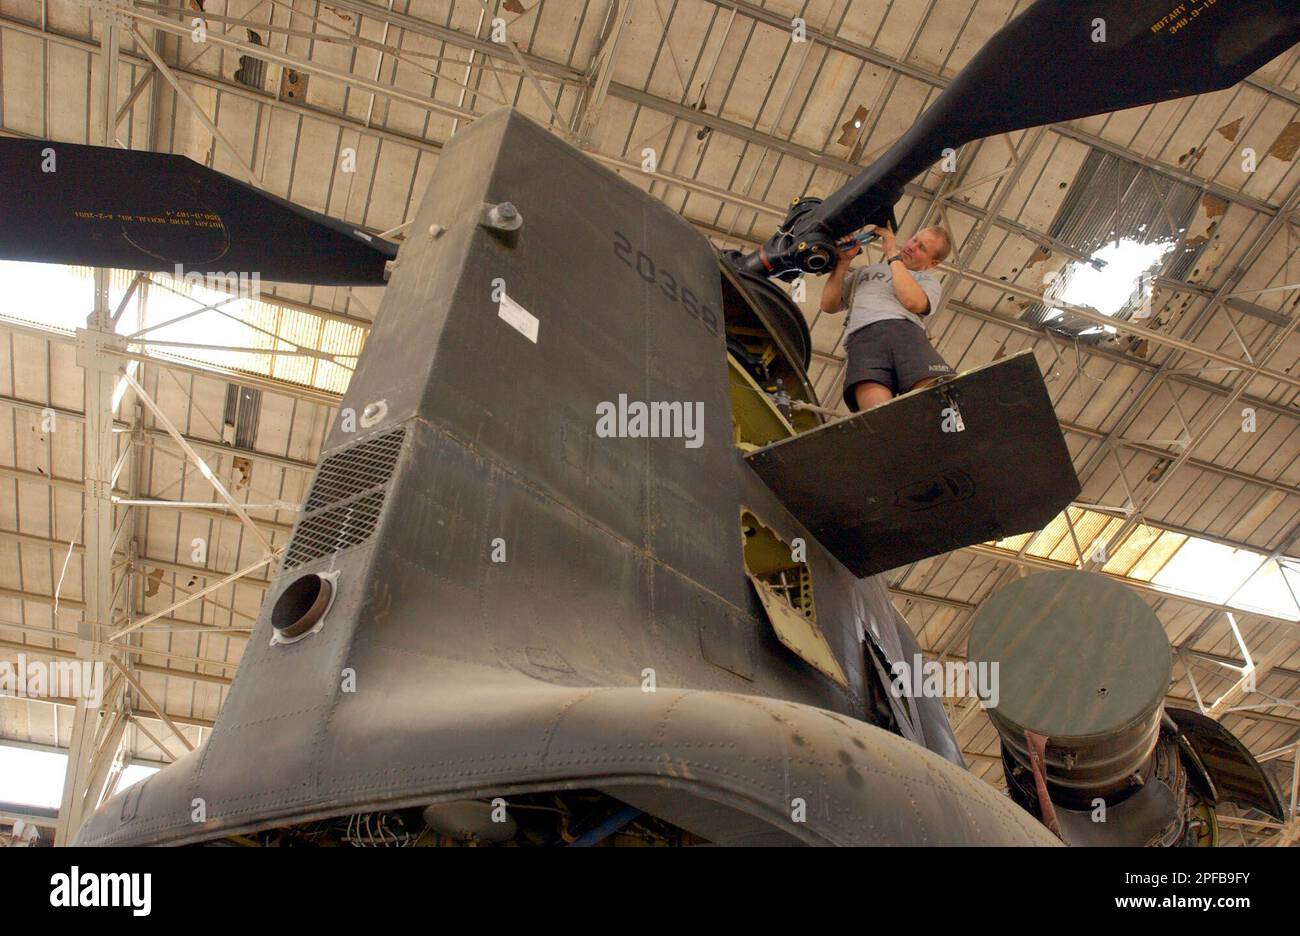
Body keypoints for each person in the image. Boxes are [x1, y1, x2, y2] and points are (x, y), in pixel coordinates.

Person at [819, 224, 955, 413]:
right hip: (863, 340)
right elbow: (828, 305)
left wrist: (892, 253)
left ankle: (950, 434)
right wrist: (843, 262)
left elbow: (912, 302)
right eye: (915, 239)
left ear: (932, 263)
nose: (912, 246)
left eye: (922, 248)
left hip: (905, 335)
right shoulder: (865, 272)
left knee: (937, 397)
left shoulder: (927, 281)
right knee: (878, 414)